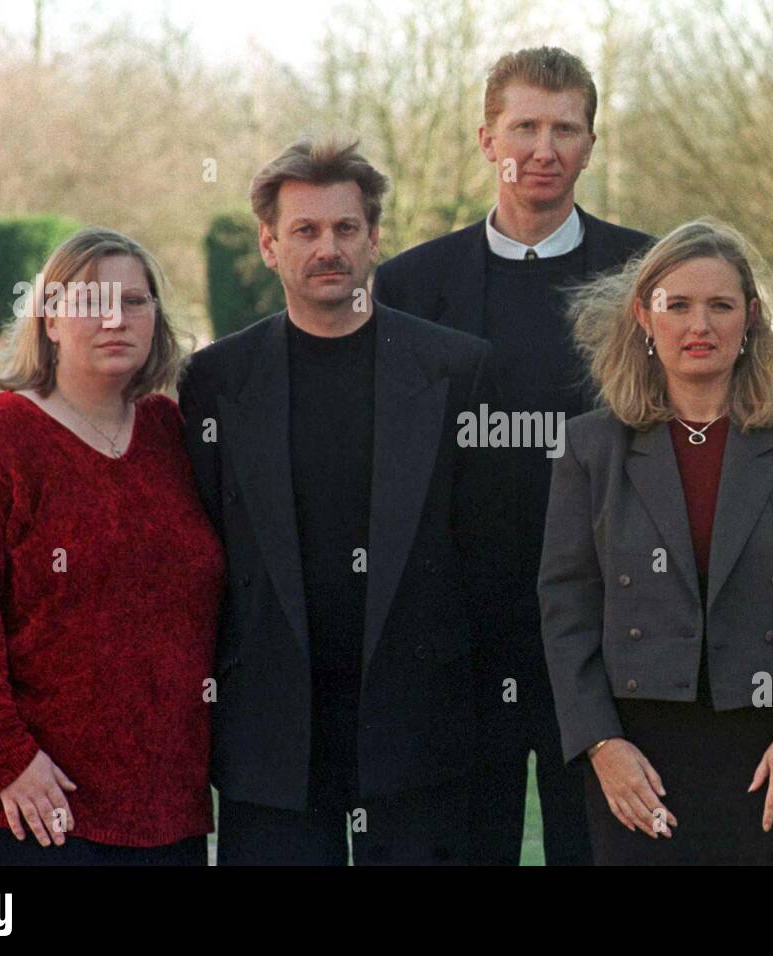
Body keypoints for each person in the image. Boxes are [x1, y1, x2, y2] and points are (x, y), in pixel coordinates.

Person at [178, 136, 505, 865]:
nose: (328, 248)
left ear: (373, 239)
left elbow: (490, 555)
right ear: (269, 245)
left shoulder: (457, 370)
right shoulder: (215, 379)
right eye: (305, 230)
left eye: (345, 228)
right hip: (271, 734)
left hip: (420, 730)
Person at [372, 45, 653, 866]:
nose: (544, 148)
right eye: (524, 126)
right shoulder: (412, 284)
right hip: (459, 627)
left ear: (591, 145)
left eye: (565, 129)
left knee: (597, 846)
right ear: (487, 138)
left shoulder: (644, 272)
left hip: (607, 621)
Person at [537, 219, 773, 864]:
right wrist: (601, 745)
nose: (700, 326)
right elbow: (566, 607)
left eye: (721, 306)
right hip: (640, 758)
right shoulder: (590, 447)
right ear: (643, 315)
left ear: (751, 318)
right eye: (677, 305)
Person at [0, 227, 223, 865]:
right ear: (49, 319)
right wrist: (5, 764)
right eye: (87, 302)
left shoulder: (173, 436)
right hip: (23, 814)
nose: (115, 318)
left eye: (134, 301)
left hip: (162, 814)